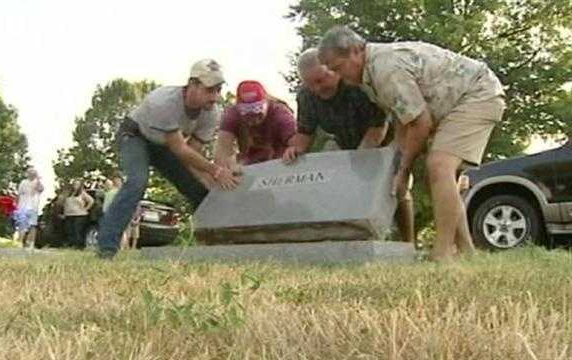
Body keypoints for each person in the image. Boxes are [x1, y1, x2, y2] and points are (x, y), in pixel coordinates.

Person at [318, 26, 505, 261]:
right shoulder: (369, 75)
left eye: (338, 68)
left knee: (439, 166)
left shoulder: (385, 69)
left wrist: (404, 171)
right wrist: (393, 159)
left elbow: (420, 122)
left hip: (478, 93)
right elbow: (402, 118)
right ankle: (467, 251)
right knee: (438, 175)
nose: (338, 77)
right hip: (455, 103)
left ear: (356, 51)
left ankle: (443, 252)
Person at [97, 59, 241, 259]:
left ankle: (215, 243)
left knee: (198, 189)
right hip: (135, 136)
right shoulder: (163, 101)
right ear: (193, 84)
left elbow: (192, 153)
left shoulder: (211, 115)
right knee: (138, 181)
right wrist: (215, 170)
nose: (215, 97)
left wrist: (210, 181)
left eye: (219, 90)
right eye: (210, 90)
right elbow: (181, 150)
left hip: (165, 146)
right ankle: (106, 247)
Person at [282, 48, 416, 245]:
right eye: (311, 84)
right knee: (336, 184)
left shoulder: (358, 86)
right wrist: (296, 149)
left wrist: (360, 159)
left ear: (333, 69)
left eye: (321, 80)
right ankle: (346, 238)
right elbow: (305, 132)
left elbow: (377, 128)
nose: (318, 89)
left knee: (397, 188)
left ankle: (409, 242)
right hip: (344, 142)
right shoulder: (306, 96)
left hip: (385, 140)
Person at [214, 80, 296, 167]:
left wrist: (293, 149)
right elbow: (222, 152)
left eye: (258, 114)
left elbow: (297, 143)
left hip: (282, 161)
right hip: (251, 162)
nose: (254, 121)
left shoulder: (280, 113)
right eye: (248, 116)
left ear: (266, 103)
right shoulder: (232, 115)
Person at [12, 167, 44, 249]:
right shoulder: (23, 182)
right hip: (22, 206)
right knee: (22, 224)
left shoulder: (37, 182)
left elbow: (41, 189)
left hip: (33, 207)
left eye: (33, 172)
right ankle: (20, 242)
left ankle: (31, 243)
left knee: (32, 225)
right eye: (29, 172)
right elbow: (19, 194)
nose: (31, 174)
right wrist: (16, 206)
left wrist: (38, 179)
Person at [62, 180, 94, 249]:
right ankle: (72, 244)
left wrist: (86, 208)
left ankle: (79, 246)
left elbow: (91, 201)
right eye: (74, 184)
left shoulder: (82, 193)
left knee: (77, 230)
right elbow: (65, 203)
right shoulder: (69, 194)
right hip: (69, 215)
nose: (75, 186)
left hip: (80, 214)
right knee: (70, 230)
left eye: (77, 184)